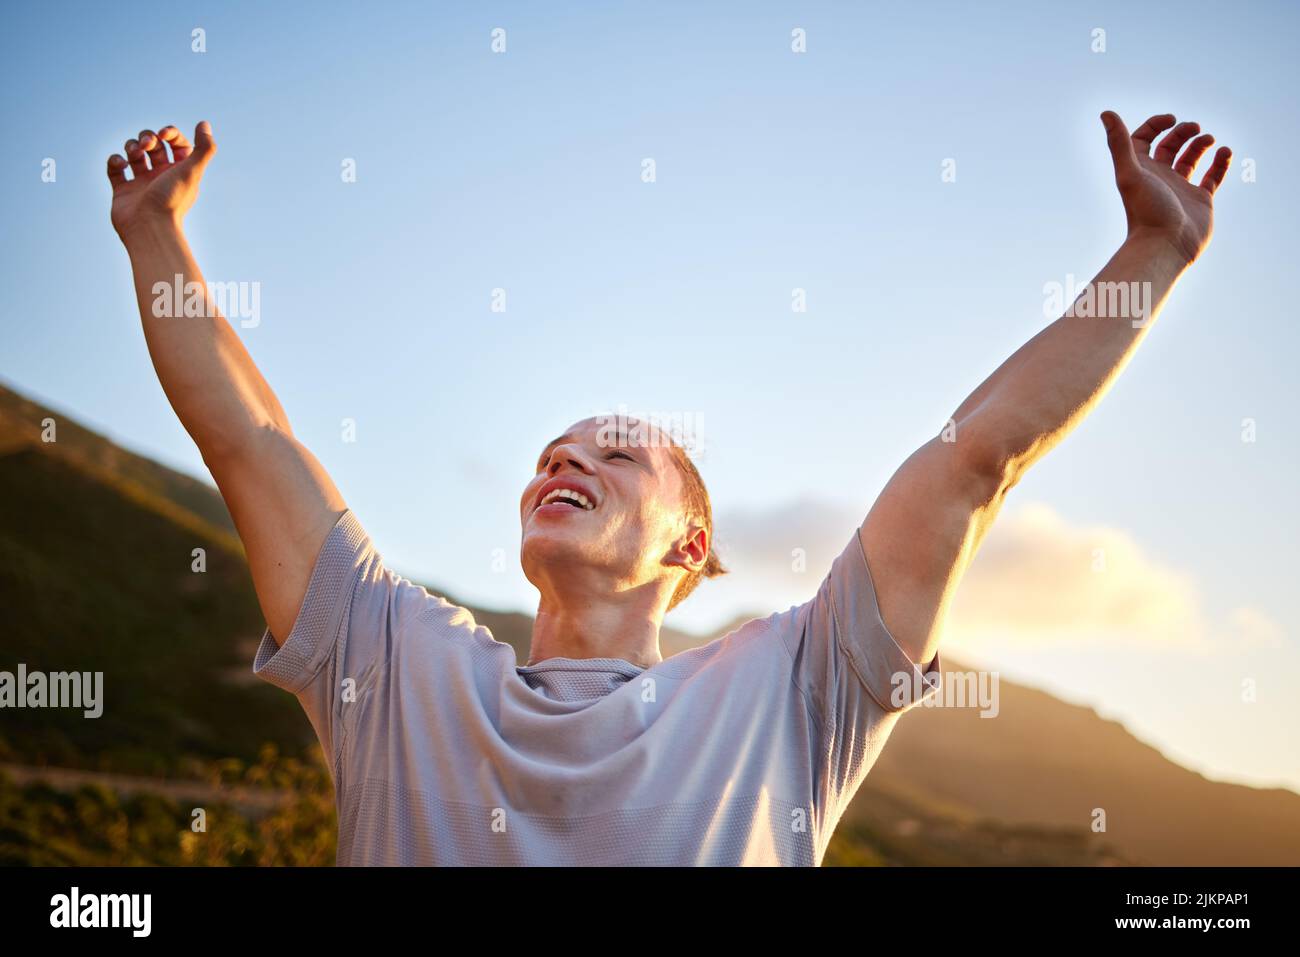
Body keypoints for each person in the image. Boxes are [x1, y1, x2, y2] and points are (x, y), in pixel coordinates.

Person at [106, 111, 1231, 865]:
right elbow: (251, 442)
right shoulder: (396, 662)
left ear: (691, 547)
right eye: (554, 453)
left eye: (620, 452)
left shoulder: (795, 688)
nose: (566, 461)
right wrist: (156, 235)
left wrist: (1152, 256)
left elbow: (974, 459)